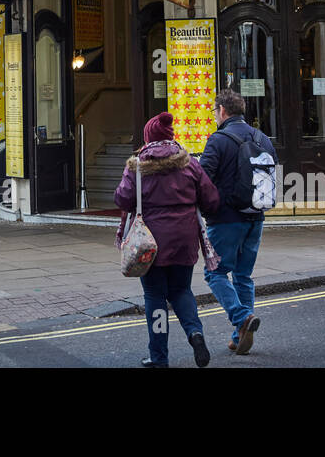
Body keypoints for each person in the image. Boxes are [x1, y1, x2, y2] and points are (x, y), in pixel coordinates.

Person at [114, 111, 219, 368]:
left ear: (148, 137)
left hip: (150, 243)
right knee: (182, 290)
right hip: (184, 239)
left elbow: (122, 199)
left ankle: (159, 357)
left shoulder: (137, 165)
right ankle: (196, 334)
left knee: (155, 296)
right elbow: (211, 200)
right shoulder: (189, 163)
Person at [200, 89, 278, 355]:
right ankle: (239, 336)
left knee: (215, 273)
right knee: (243, 276)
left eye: (214, 111)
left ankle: (241, 318)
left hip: (225, 220)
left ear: (222, 111)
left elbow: (203, 180)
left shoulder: (218, 140)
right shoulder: (263, 138)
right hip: (256, 217)